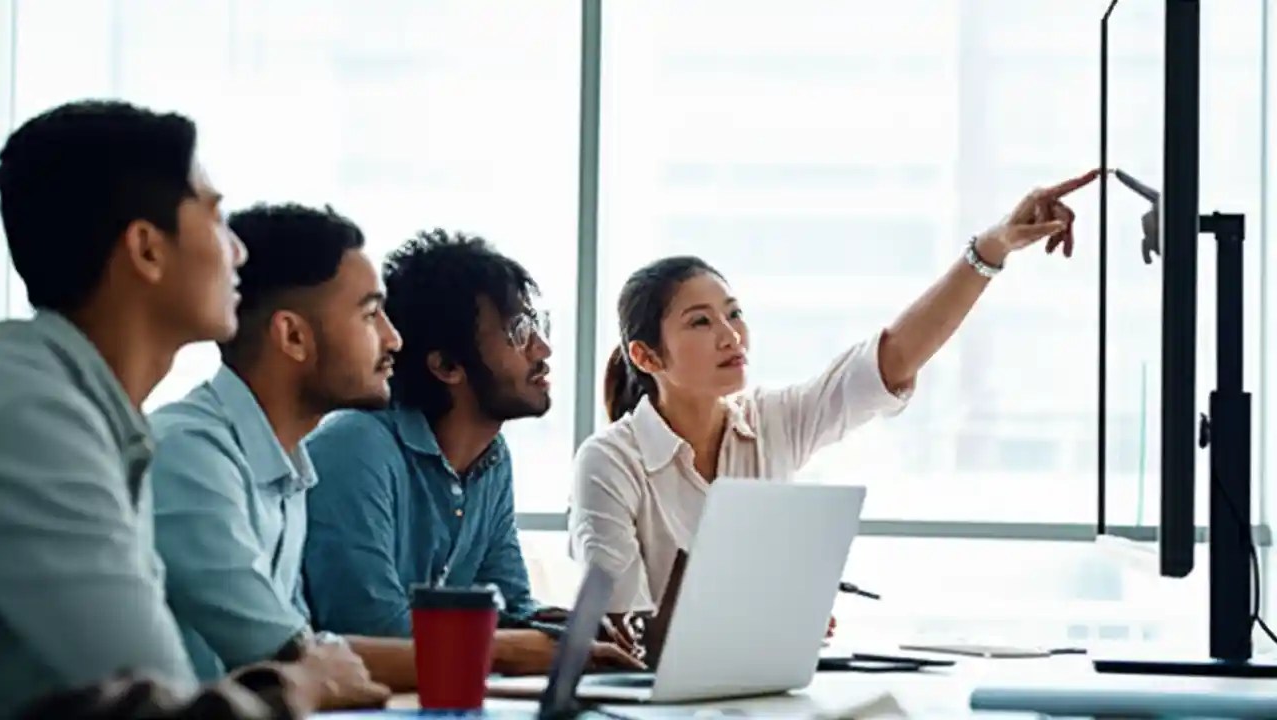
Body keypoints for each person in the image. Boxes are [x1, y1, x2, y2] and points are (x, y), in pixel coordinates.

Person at [569, 170, 1101, 628]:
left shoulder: (769, 423)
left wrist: (993, 247)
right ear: (647, 356)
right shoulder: (610, 461)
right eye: (701, 322)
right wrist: (771, 619)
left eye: (734, 313)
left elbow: (890, 360)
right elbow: (624, 629)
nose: (731, 336)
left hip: (755, 687)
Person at [0, 100, 388, 718]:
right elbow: (161, 706)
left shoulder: (94, 418)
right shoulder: (32, 411)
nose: (237, 252)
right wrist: (306, 684)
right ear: (147, 249)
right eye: (215, 216)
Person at [304, 230, 641, 674]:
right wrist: (521, 648)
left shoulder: (492, 458)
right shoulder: (354, 448)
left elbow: (507, 604)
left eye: (537, 326)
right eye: (518, 333)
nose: (542, 349)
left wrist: (564, 630)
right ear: (447, 366)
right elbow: (374, 632)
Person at [147, 203, 430, 691]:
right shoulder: (191, 454)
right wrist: (503, 657)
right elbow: (289, 655)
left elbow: (305, 647)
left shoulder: (288, 470)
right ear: (293, 336)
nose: (394, 338)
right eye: (370, 314)